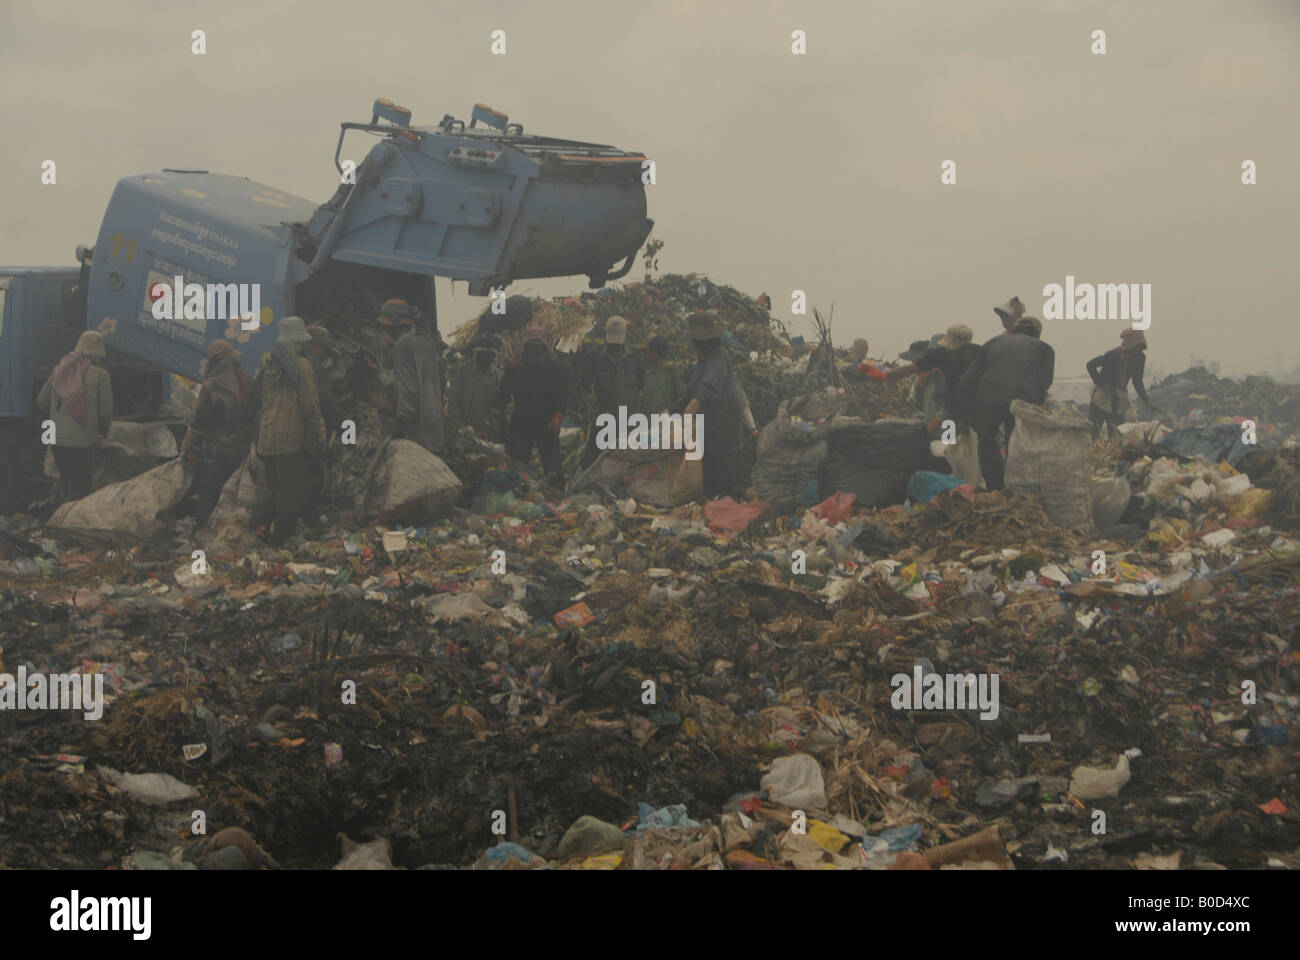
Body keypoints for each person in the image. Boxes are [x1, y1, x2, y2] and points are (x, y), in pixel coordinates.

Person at [956, 316, 1055, 491]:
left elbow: (966, 381)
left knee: (986, 442)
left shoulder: (993, 343)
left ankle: (995, 489)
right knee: (1015, 444)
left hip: (986, 400)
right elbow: (1044, 383)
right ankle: (1014, 489)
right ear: (1037, 334)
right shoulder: (1044, 348)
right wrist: (1035, 408)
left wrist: (966, 413)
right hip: (1020, 403)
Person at [251, 316, 326, 545]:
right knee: (290, 497)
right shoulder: (303, 366)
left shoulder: (271, 366)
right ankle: (277, 545)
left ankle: (255, 535)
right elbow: (310, 405)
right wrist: (321, 436)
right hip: (290, 440)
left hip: (266, 439)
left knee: (273, 492)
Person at [181, 339, 251, 528]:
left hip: (215, 451)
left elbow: (198, 423)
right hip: (240, 450)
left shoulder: (210, 387)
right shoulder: (246, 382)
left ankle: (203, 532)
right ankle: (229, 534)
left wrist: (185, 448)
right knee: (233, 496)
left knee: (210, 494)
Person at [38, 330, 114, 503]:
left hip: (56, 441)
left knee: (65, 483)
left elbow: (41, 402)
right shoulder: (101, 375)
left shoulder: (59, 370)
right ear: (98, 353)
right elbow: (105, 412)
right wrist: (102, 433)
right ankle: (72, 525)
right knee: (80, 489)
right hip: (83, 443)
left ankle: (58, 519)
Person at [860, 325, 979, 432]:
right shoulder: (941, 354)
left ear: (965, 348)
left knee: (954, 449)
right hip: (948, 414)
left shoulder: (980, 359)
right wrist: (885, 376)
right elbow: (911, 368)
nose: (949, 352)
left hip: (971, 411)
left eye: (953, 349)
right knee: (944, 447)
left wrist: (944, 419)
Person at [493, 327, 568, 488]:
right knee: (517, 463)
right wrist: (498, 407)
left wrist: (558, 416)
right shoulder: (516, 367)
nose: (532, 353)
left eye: (536, 349)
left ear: (544, 350)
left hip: (546, 422)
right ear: (525, 349)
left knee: (552, 464)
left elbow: (562, 396)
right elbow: (505, 390)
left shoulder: (555, 369)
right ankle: (517, 491)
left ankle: (557, 491)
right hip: (522, 421)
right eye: (529, 349)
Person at [683, 312, 743, 499]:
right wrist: (680, 401)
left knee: (721, 478)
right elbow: (695, 385)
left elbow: (709, 386)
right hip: (710, 426)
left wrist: (694, 403)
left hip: (723, 426)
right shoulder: (705, 356)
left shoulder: (718, 357)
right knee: (708, 473)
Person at [579, 316, 644, 467]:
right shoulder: (594, 357)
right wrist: (588, 406)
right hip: (604, 416)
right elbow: (582, 386)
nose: (615, 347)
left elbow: (641, 386)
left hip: (629, 419)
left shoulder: (635, 357)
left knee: (627, 463)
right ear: (605, 335)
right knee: (591, 461)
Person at [389, 300, 445, 455]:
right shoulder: (428, 342)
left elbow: (408, 392)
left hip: (417, 435)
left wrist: (399, 430)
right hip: (434, 429)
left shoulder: (403, 345)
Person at [1087, 328, 1157, 439]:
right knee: (1095, 429)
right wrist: (1103, 384)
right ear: (1130, 346)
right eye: (1136, 347)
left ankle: (1113, 453)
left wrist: (1147, 401)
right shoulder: (1112, 355)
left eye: (1140, 347)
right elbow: (1090, 365)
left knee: (1116, 431)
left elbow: (1137, 381)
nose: (1138, 350)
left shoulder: (1140, 358)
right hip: (1102, 395)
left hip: (1118, 395)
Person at [451, 335, 504, 439]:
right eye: (486, 354)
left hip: (486, 434)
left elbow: (498, 408)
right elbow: (454, 400)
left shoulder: (498, 376)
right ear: (478, 353)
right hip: (462, 430)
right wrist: (460, 426)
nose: (489, 358)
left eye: (492, 355)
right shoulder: (463, 371)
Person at [639, 334, 686, 415]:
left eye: (646, 351)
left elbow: (682, 399)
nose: (644, 354)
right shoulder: (648, 374)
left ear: (655, 351)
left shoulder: (673, 372)